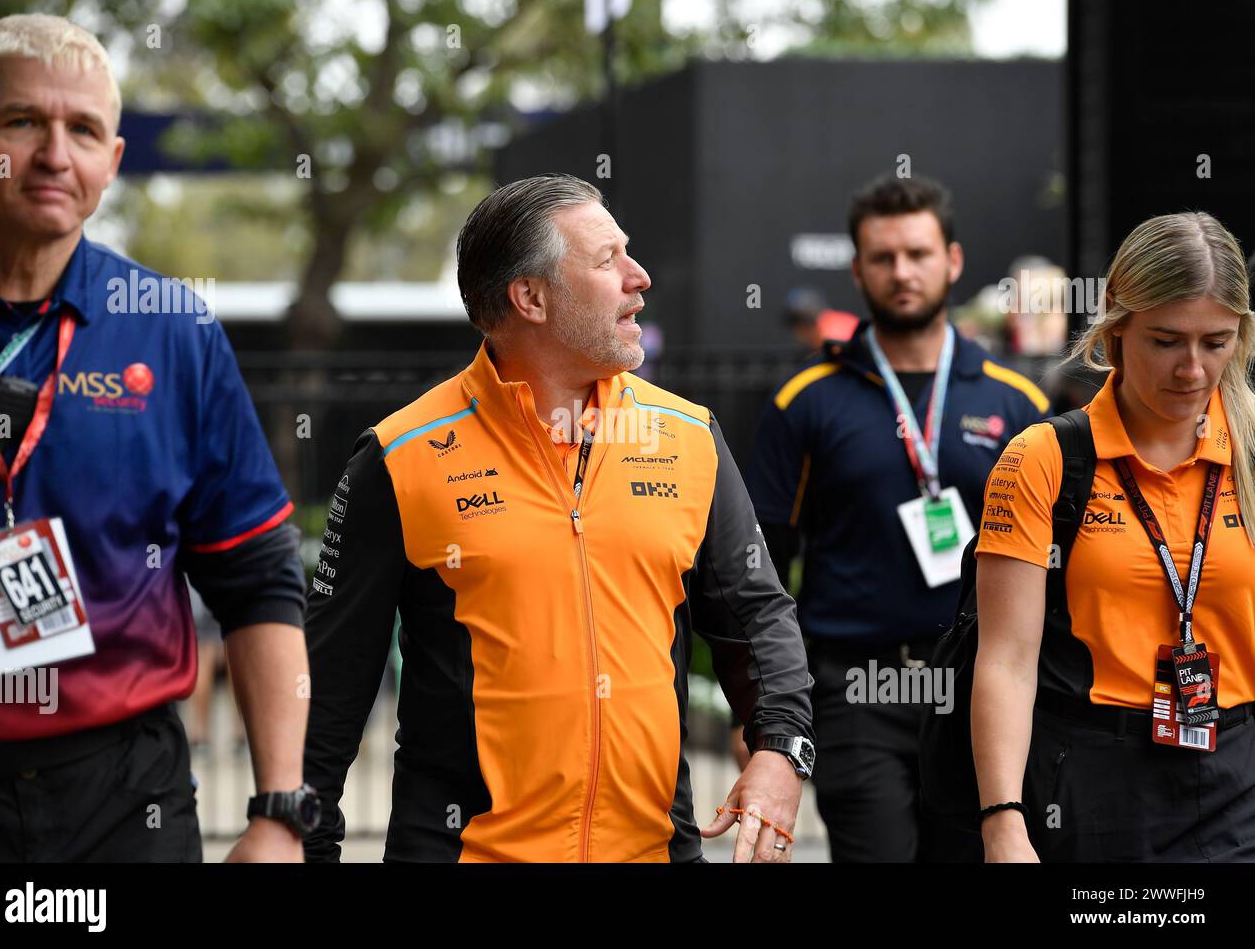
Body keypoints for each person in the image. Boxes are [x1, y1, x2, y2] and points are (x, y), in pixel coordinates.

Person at [303, 173, 815, 863]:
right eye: (607, 261)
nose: (640, 278)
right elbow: (330, 684)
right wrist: (301, 837)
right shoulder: (400, 456)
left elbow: (756, 615)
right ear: (531, 297)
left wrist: (781, 748)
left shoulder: (688, 436)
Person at [0, 14, 310, 862]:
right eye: (21, 123)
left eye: (83, 131)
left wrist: (280, 814)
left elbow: (259, 578)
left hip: (122, 801)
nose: (53, 155)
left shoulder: (172, 332)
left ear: (111, 163)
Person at [745, 174, 1050, 862]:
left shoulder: (1017, 400)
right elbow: (759, 576)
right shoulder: (805, 401)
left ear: (954, 260)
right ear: (857, 270)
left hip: (981, 692)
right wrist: (763, 712)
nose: (902, 272)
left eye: (917, 253)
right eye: (883, 258)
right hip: (857, 691)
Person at [974, 211, 1255, 862]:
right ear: (1115, 321)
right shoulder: (1042, 459)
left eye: (1216, 342)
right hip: (1088, 779)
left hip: (1234, 775)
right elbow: (1006, 661)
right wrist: (1003, 821)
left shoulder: (1247, 450)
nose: (1192, 369)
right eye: (1166, 340)